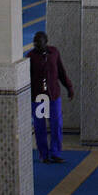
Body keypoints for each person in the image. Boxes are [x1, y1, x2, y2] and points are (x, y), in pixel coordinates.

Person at [27, 30, 74, 163]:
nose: (36, 44)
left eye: (39, 42)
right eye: (35, 42)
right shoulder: (30, 57)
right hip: (38, 97)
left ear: (45, 42)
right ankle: (44, 154)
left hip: (53, 96)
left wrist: (69, 87)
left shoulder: (54, 53)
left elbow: (61, 72)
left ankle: (55, 152)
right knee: (40, 127)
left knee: (56, 124)